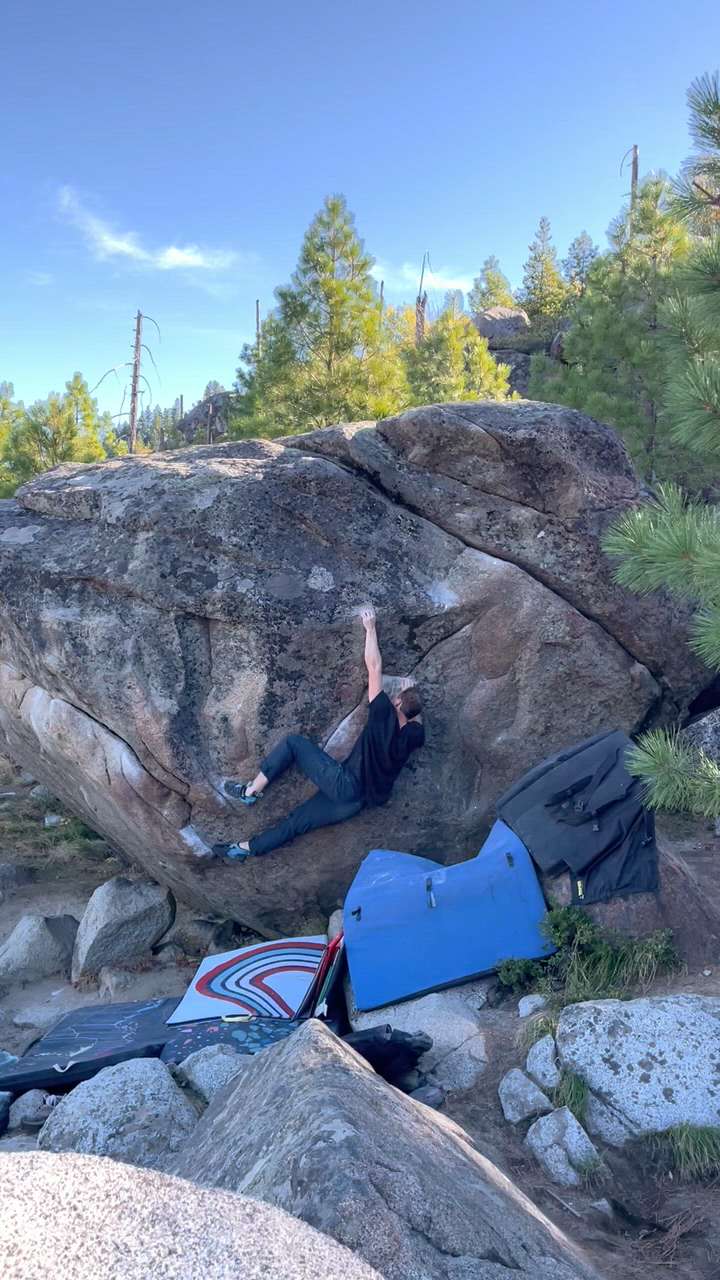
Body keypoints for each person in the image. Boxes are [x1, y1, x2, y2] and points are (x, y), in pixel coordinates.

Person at [207, 606, 424, 863]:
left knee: (294, 743)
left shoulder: (382, 715)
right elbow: (416, 714)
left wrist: (371, 628)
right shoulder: (415, 736)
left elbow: (374, 667)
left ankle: (251, 791)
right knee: (297, 823)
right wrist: (410, 696)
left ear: (397, 702)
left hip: (345, 785)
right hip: (357, 804)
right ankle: (242, 849)